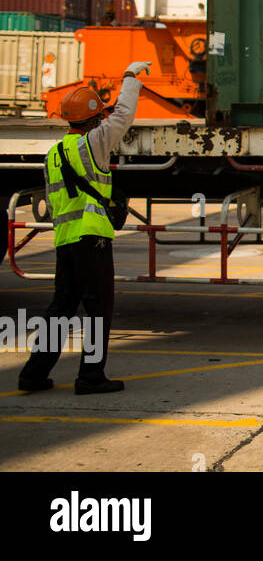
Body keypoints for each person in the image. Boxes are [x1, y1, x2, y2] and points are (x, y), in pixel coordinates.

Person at [17, 61, 151, 394]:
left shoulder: (53, 154)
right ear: (93, 118)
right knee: (98, 308)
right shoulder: (93, 143)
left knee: (60, 306)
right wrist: (130, 78)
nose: (104, 119)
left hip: (65, 239)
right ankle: (90, 376)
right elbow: (123, 116)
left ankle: (33, 374)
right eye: (100, 116)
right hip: (92, 238)